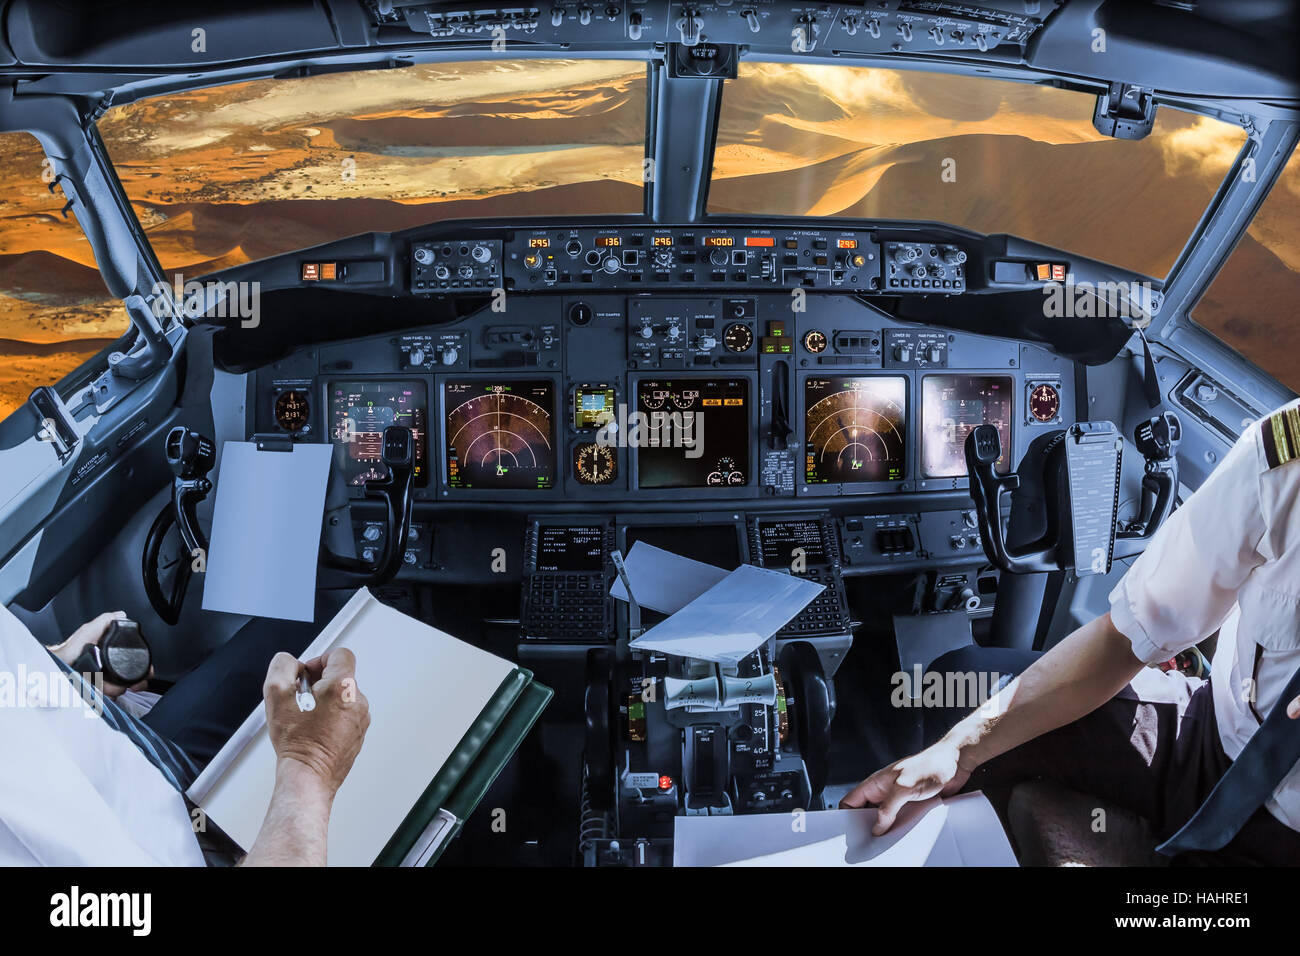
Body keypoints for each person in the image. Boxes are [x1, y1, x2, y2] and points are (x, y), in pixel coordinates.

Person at [842, 400, 1300, 866]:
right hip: (1210, 742)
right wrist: (957, 751)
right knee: (964, 683)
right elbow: (1128, 636)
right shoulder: (1284, 460)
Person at [0, 604, 369, 865]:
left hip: (142, 762)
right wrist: (310, 766)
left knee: (310, 620)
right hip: (195, 843)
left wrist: (62, 671)